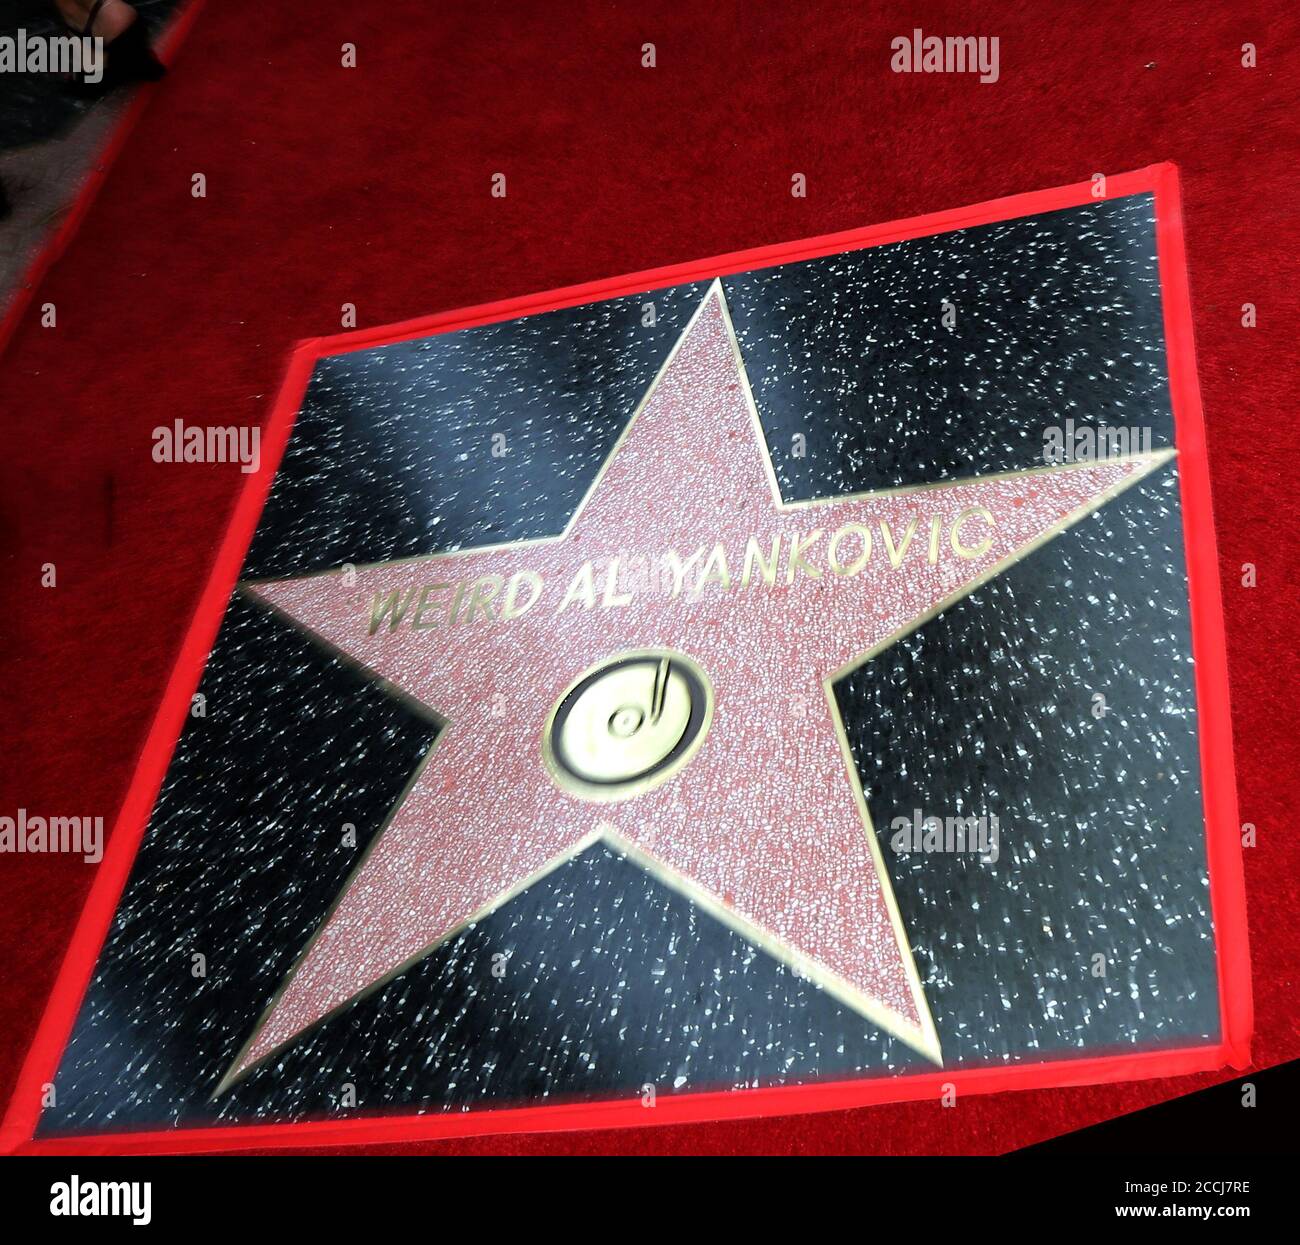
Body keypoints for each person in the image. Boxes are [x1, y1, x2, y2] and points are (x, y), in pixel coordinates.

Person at [53, 0, 166, 90]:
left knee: (72, 12)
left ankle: (82, 25)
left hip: (93, 28)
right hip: (116, 13)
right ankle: (106, 10)